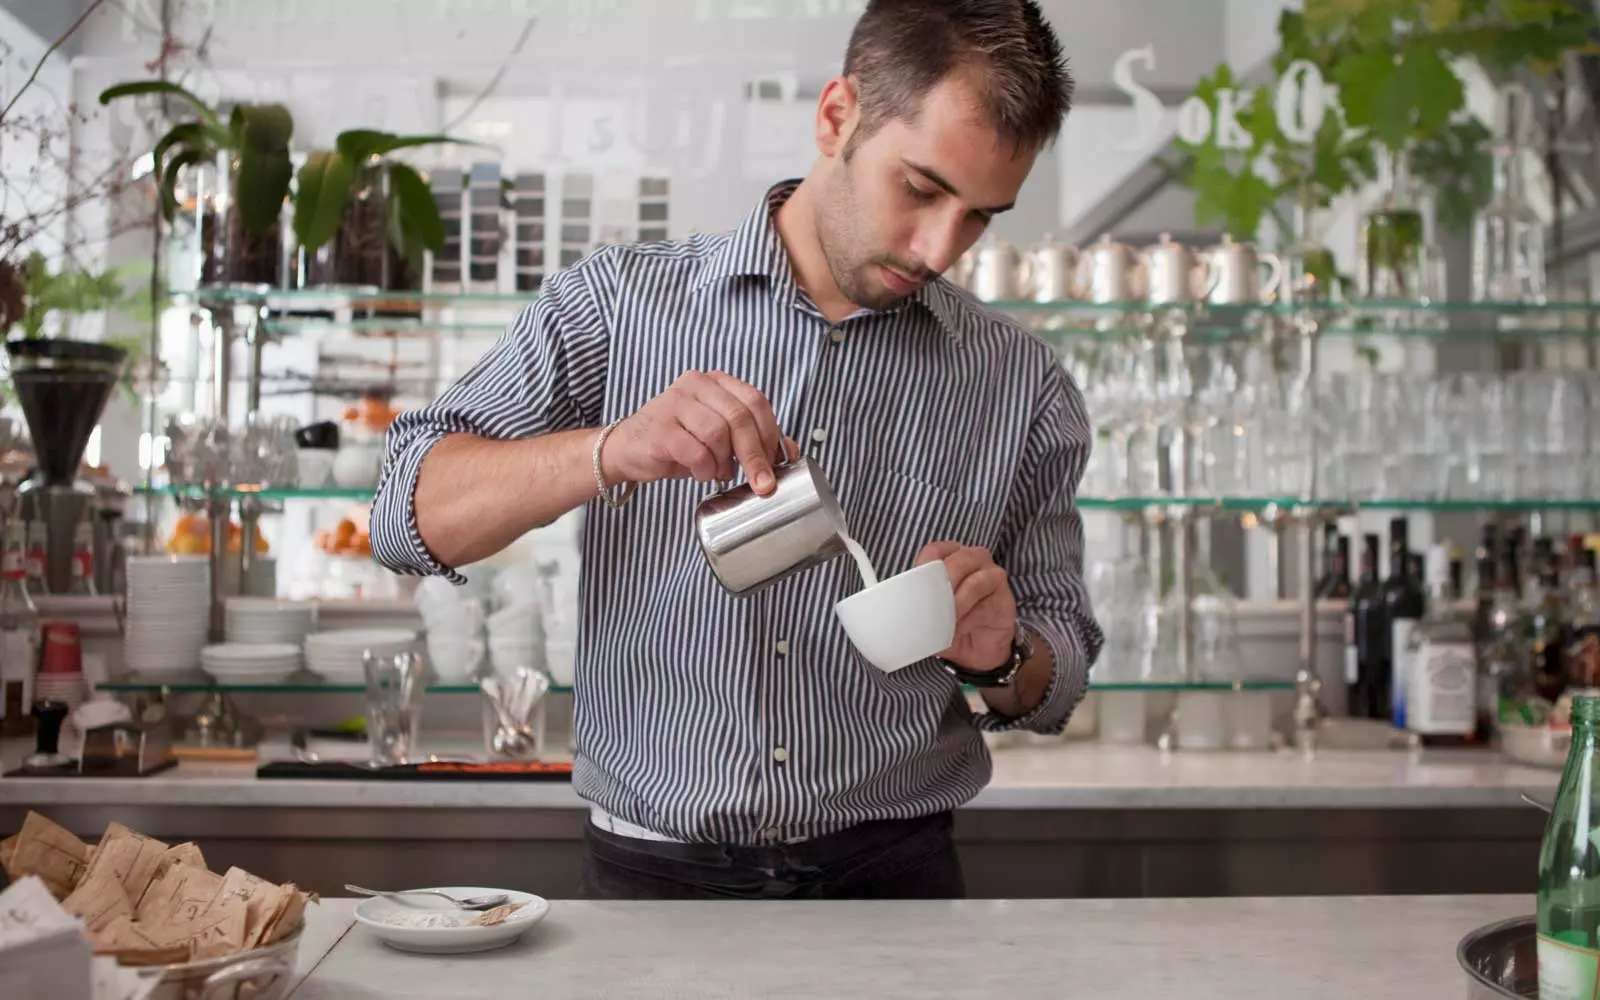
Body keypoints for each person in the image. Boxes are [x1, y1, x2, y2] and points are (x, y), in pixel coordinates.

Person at [370, 0, 1102, 900]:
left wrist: (1001, 654)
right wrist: (609, 449)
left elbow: (1056, 676)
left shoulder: (1020, 383)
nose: (938, 247)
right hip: (651, 879)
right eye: (919, 189)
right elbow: (404, 514)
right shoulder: (618, 307)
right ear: (838, 116)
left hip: (896, 883)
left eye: (981, 216)